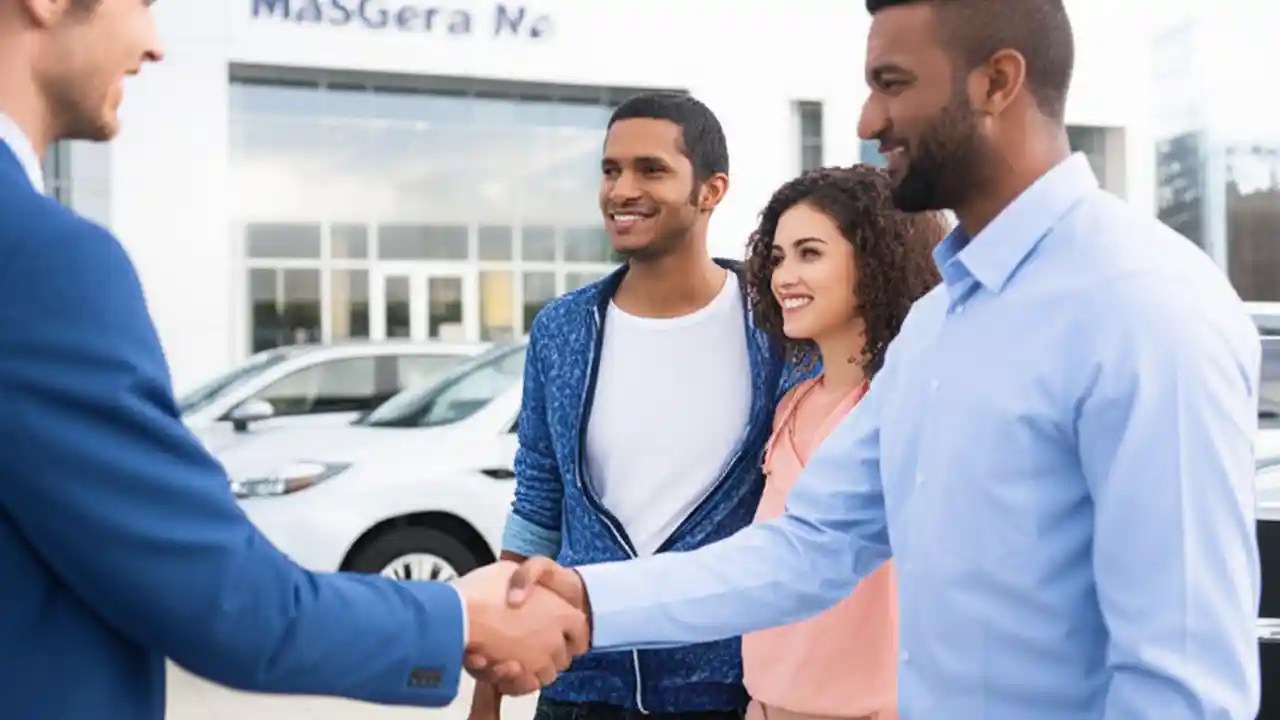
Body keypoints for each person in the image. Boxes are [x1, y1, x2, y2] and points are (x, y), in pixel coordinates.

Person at [485, 0, 1265, 717]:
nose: (869, 117)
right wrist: (587, 598)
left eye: (892, 85)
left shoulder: (1144, 306)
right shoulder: (938, 327)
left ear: (998, 82)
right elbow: (810, 547)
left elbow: (1181, 684)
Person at [0, 2, 585, 718]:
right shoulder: (40, 256)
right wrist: (461, 618)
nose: (152, 45)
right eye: (143, 4)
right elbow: (226, 602)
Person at [467, 91, 802, 720]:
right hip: (578, 684)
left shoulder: (779, 325)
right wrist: (488, 690)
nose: (621, 189)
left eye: (650, 169)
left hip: (722, 687)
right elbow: (538, 503)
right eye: (610, 169)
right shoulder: (562, 330)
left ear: (711, 190)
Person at [739, 166, 943, 720]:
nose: (784, 276)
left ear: (875, 261)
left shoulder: (912, 408)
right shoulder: (791, 406)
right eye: (778, 257)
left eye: (810, 252)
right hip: (766, 706)